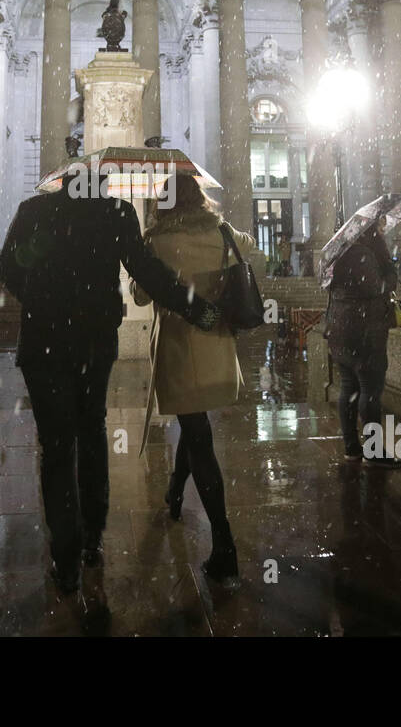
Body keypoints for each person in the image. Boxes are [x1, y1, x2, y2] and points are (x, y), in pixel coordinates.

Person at [0, 162, 222, 600]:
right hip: (92, 344)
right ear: (102, 186)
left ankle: (65, 557)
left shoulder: (34, 211)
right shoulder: (116, 213)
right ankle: (92, 539)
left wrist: (42, 301)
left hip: (44, 344)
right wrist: (195, 307)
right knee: (91, 431)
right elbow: (148, 271)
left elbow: (8, 268)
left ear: (63, 183)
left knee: (57, 448)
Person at [131, 173, 250, 585]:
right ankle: (175, 493)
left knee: (197, 434)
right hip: (216, 344)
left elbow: (142, 295)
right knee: (194, 422)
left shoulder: (156, 241)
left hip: (180, 348)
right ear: (199, 198)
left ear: (163, 203)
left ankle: (225, 544)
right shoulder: (223, 232)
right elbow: (254, 259)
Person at [324, 219, 401, 468]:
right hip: (364, 331)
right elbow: (376, 287)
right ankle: (373, 451)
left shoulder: (338, 252)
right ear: (370, 232)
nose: (381, 231)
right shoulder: (362, 254)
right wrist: (390, 271)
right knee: (370, 391)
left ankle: (352, 448)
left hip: (340, 329)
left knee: (349, 387)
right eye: (378, 228)